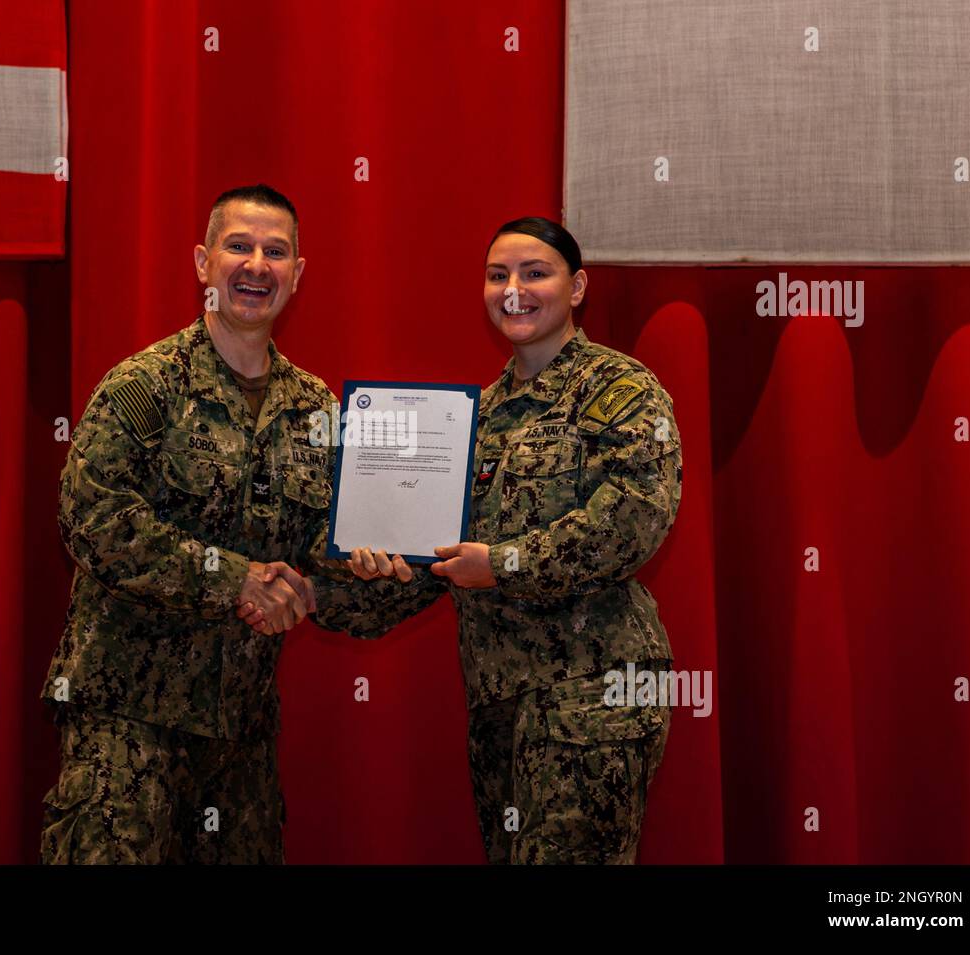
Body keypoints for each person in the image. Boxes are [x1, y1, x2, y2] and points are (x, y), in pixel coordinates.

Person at [249, 216, 683, 864]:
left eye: (535, 273)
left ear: (577, 286)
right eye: (497, 275)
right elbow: (435, 561)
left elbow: (635, 517)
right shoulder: (472, 419)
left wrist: (503, 564)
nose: (514, 290)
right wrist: (321, 593)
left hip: (593, 693)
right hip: (498, 704)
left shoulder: (620, 390)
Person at [39, 184, 336, 864]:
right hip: (126, 725)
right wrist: (236, 579)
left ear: (297, 273)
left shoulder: (316, 408)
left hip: (241, 738)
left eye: (275, 252)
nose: (256, 265)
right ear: (204, 262)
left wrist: (368, 574)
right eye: (239, 246)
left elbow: (324, 548)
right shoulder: (145, 387)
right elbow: (92, 519)